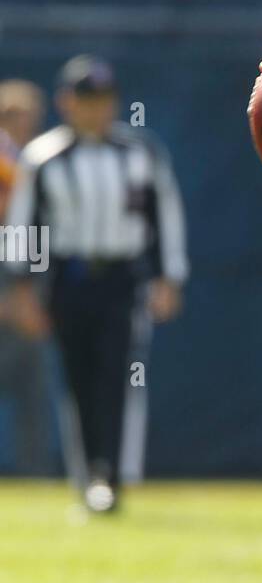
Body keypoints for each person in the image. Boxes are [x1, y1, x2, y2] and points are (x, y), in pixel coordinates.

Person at [5, 56, 188, 512]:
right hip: (69, 278)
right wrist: (23, 288)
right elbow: (27, 226)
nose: (95, 110)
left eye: (103, 100)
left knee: (118, 374)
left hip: (123, 278)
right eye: (86, 100)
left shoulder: (139, 153)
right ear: (66, 103)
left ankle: (112, 474)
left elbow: (163, 218)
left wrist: (168, 277)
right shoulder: (43, 158)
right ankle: (88, 474)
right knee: (76, 379)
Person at [0, 80, 53, 474]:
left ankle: (35, 475)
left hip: (24, 293)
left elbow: (31, 239)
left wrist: (30, 295)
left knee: (34, 393)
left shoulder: (34, 162)